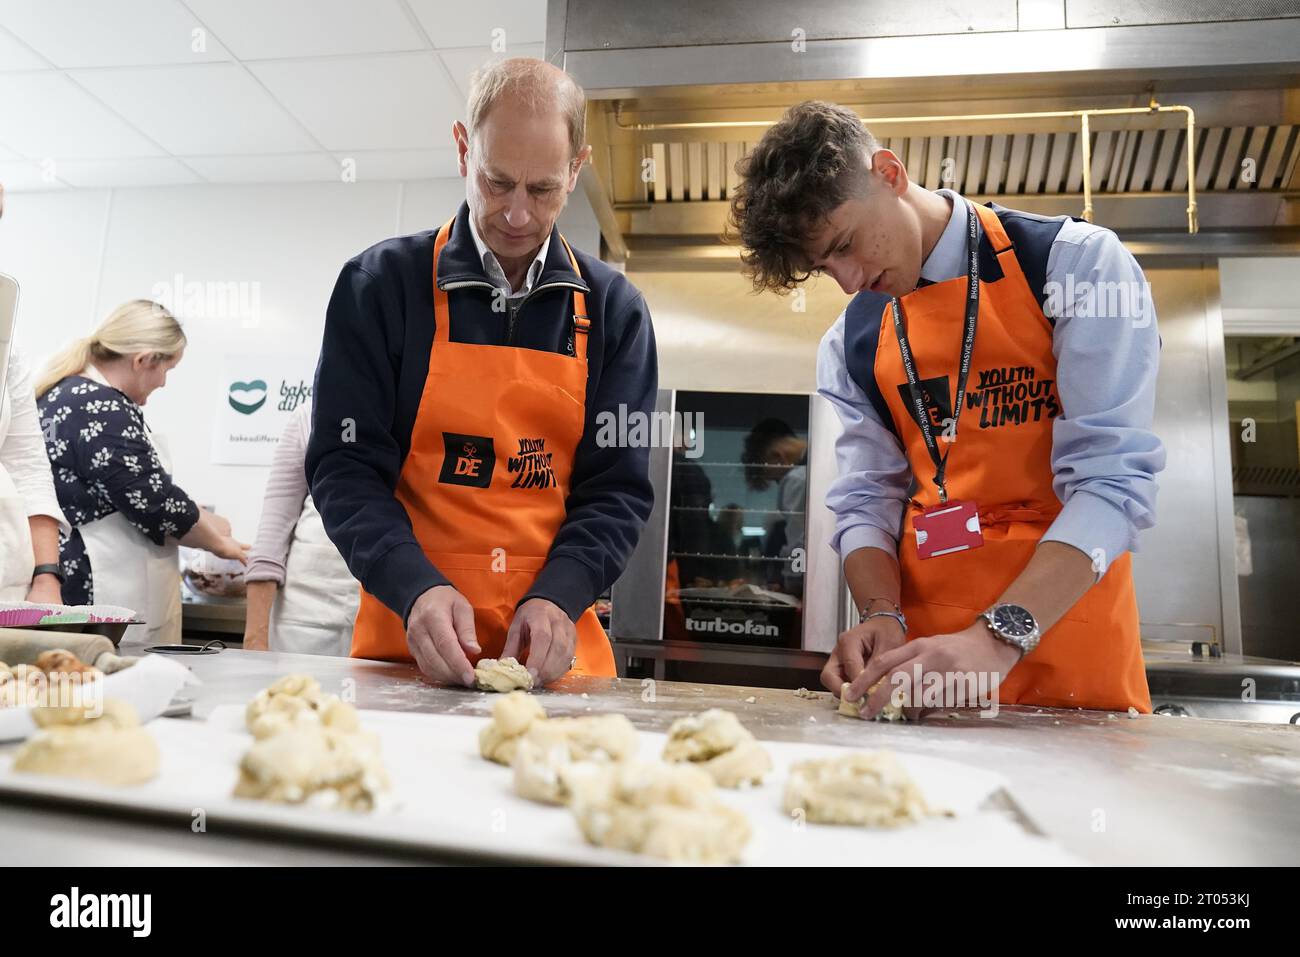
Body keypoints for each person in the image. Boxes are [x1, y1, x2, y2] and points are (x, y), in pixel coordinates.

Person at [728, 101, 1165, 714]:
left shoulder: (1074, 266)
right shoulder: (851, 340)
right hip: (928, 675)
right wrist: (879, 611)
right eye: (826, 267)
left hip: (1071, 659)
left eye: (847, 245)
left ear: (889, 173)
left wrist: (995, 638)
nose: (850, 281)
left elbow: (1112, 482)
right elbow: (865, 499)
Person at [307, 58, 657, 687]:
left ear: (576, 169)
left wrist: (561, 592)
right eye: (497, 182)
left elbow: (618, 489)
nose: (517, 214)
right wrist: (412, 586)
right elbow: (344, 466)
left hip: (558, 659)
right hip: (407, 649)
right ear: (463, 149)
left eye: (543, 189)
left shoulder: (614, 312)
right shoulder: (380, 286)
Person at [35, 300, 248, 645]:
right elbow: (154, 503)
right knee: (102, 687)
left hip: (81, 572)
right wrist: (221, 544)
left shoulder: (68, 393)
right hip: (96, 579)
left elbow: (137, 483)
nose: (163, 383)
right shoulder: (99, 406)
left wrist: (209, 526)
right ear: (144, 360)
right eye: (168, 369)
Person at [244, 401, 357, 655]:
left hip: (391, 618)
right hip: (304, 620)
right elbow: (271, 539)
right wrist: (255, 642)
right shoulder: (309, 416)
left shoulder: (420, 415)